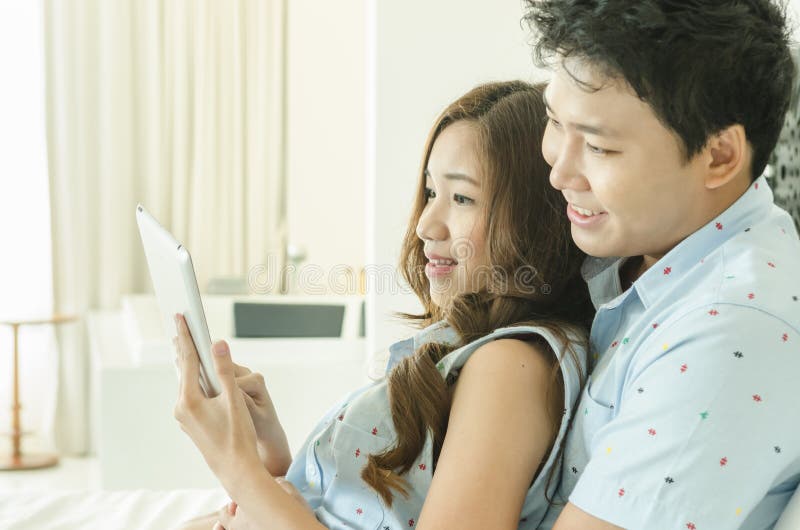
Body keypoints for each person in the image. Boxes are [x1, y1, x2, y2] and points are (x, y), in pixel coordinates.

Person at [173, 80, 596, 530]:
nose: (427, 225)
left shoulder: (512, 367)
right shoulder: (472, 350)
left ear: (535, 221)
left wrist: (237, 471)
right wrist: (269, 465)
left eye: (463, 198)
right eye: (432, 193)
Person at [522, 1, 800, 528]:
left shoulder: (731, 330)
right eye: (554, 121)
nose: (559, 171)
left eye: (599, 148)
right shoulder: (637, 242)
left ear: (719, 157)